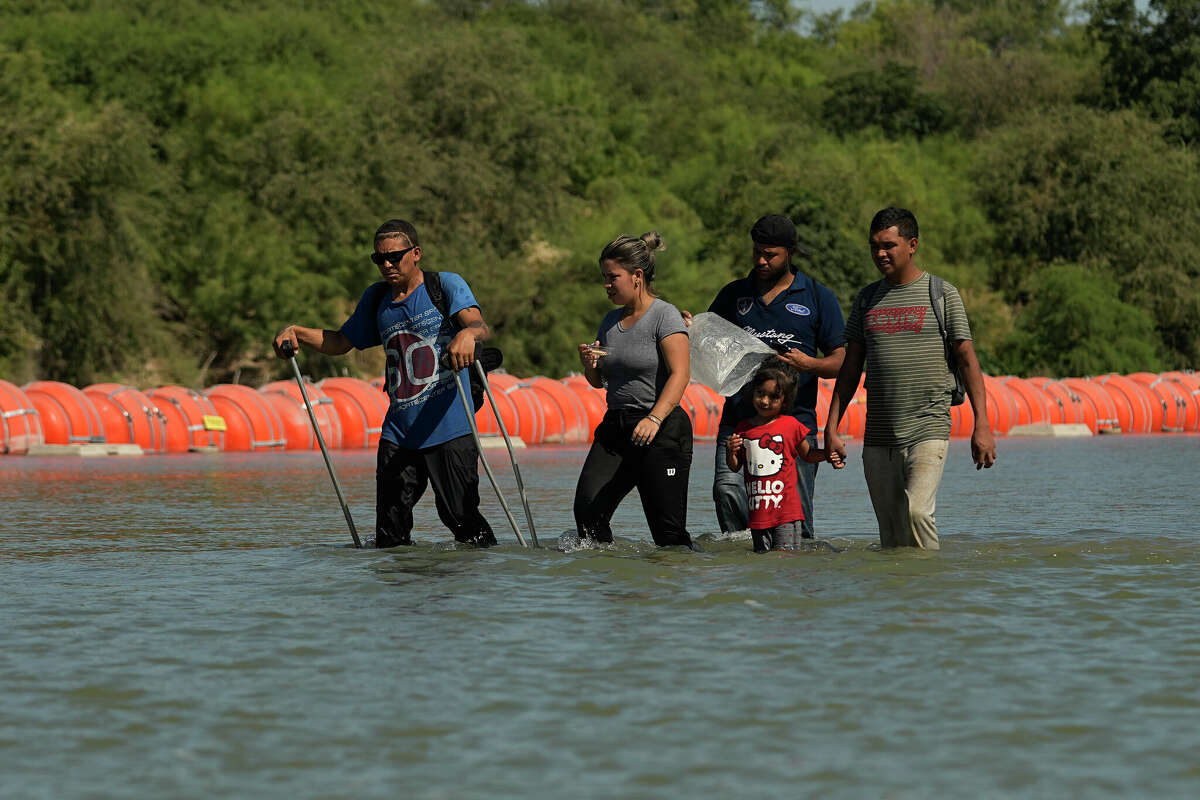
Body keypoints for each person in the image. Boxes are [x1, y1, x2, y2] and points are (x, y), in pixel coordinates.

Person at [272, 218, 497, 548]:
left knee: (461, 520)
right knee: (389, 535)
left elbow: (479, 325)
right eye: (379, 259)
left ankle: (475, 582)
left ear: (416, 253)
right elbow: (340, 342)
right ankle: (396, 595)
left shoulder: (444, 285)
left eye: (395, 256)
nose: (387, 264)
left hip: (449, 426)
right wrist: (297, 332)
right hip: (399, 433)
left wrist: (466, 334)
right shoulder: (377, 299)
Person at [825, 207, 997, 550]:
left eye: (889, 245)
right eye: (874, 246)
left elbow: (967, 360)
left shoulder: (942, 294)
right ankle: (897, 599)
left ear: (912, 244)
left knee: (917, 513)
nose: (880, 254)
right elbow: (850, 369)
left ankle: (930, 591)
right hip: (878, 434)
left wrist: (983, 424)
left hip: (928, 427)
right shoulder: (866, 299)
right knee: (891, 534)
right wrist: (831, 427)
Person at [703, 214, 846, 540]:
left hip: (796, 425)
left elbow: (842, 361)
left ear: (790, 252)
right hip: (738, 421)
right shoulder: (734, 294)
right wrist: (691, 329)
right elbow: (707, 342)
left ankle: (795, 567)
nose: (761, 260)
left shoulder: (817, 296)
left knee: (797, 518)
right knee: (727, 490)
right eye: (757, 252)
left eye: (771, 254)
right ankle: (748, 553)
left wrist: (809, 364)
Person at [574, 232, 693, 548]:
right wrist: (589, 365)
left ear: (637, 276)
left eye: (613, 277)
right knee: (587, 515)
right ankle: (611, 582)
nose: (607, 285)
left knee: (668, 538)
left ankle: (675, 584)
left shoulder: (664, 316)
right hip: (617, 429)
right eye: (604, 277)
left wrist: (653, 419)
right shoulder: (610, 321)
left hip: (662, 428)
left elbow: (680, 375)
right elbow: (600, 383)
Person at [726, 358, 842, 552]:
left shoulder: (791, 425)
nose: (764, 401)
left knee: (785, 559)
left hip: (786, 514)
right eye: (760, 394)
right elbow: (734, 466)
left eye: (773, 397)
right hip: (758, 515)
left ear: (784, 401)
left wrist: (828, 455)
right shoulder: (743, 428)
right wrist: (730, 451)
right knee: (762, 562)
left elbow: (808, 455)